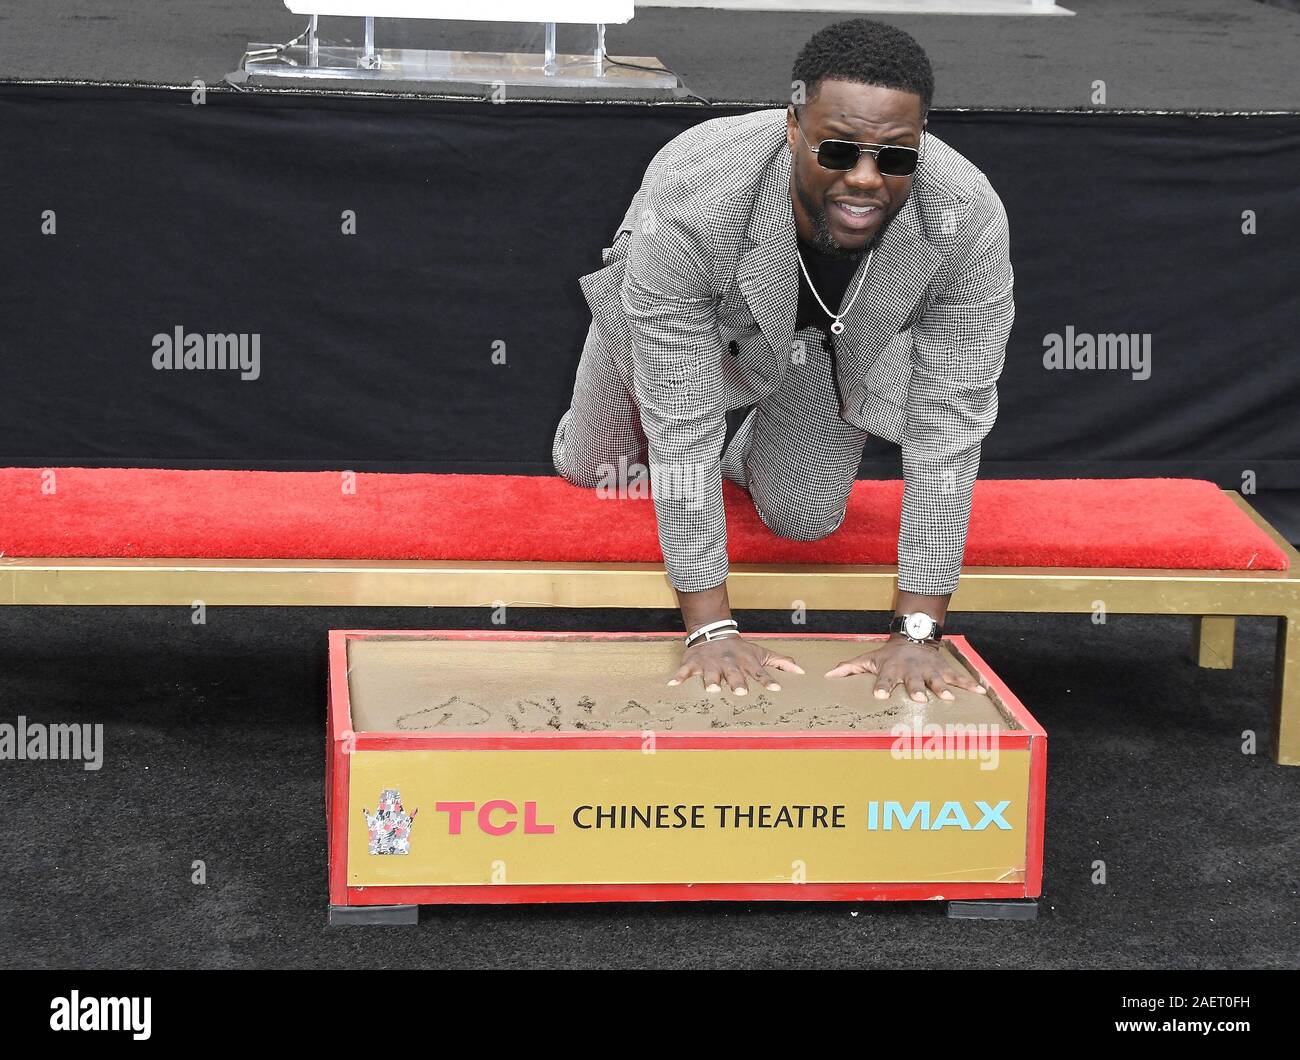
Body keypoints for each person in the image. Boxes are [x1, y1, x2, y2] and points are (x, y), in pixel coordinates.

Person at [552, 18, 1013, 704]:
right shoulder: (693, 196)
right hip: (693, 324)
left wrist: (917, 634)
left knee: (804, 519)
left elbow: (950, 424)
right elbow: (681, 426)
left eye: (895, 157)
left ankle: (741, 456)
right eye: (838, 148)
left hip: (820, 348)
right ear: (793, 125)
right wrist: (710, 628)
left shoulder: (966, 216)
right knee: (597, 467)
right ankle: (622, 352)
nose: (866, 180)